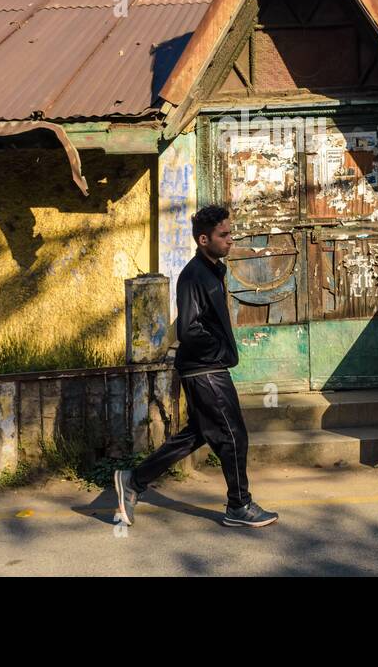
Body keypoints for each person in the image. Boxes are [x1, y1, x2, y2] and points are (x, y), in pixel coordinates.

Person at [114, 205, 278, 528]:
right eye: (224, 235)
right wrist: (218, 350)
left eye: (230, 233)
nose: (230, 240)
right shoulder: (193, 276)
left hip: (208, 367)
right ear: (204, 239)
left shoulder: (213, 270)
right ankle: (239, 505)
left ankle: (132, 481)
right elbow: (188, 329)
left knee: (197, 435)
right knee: (233, 435)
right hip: (205, 370)